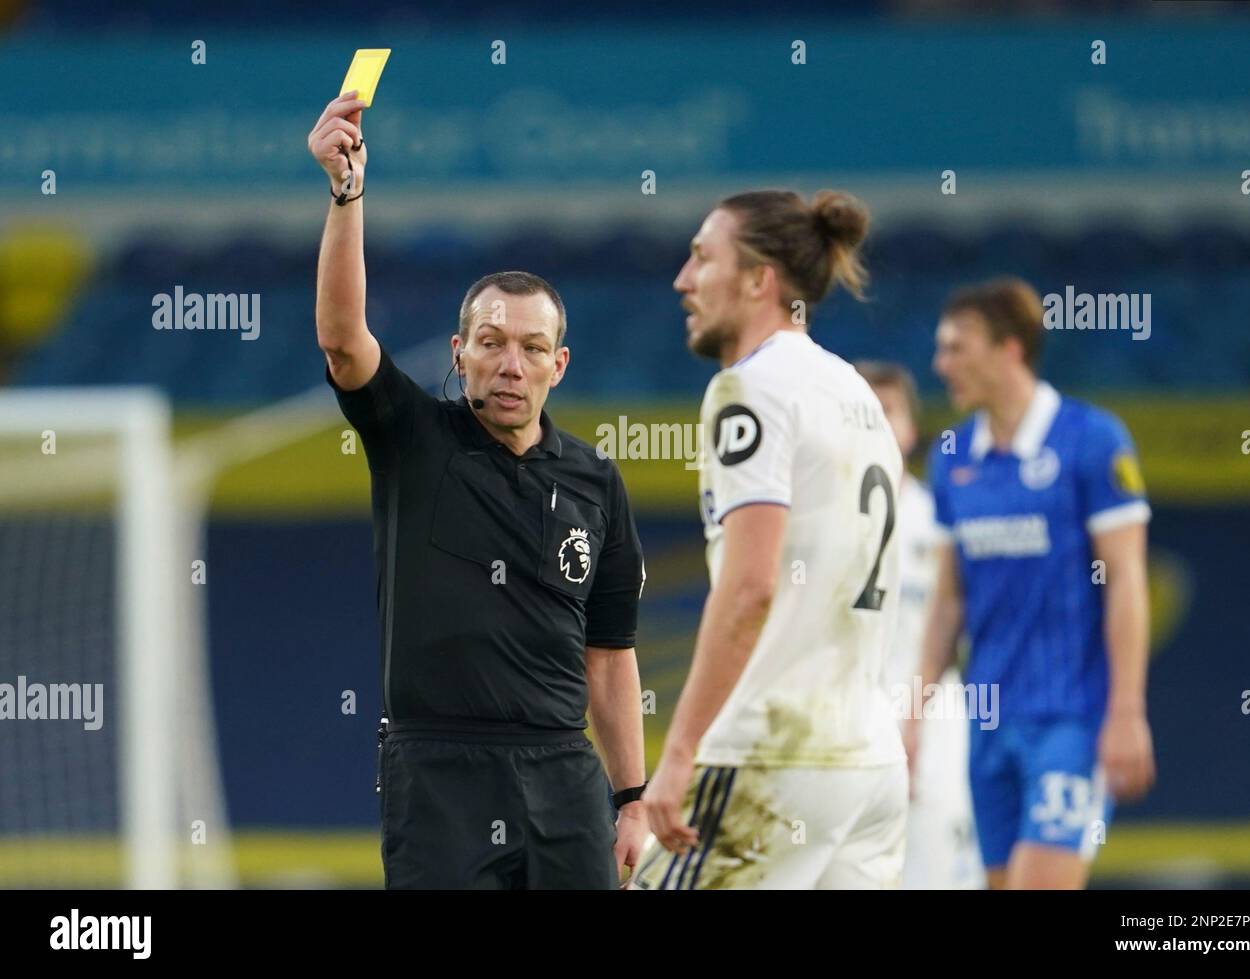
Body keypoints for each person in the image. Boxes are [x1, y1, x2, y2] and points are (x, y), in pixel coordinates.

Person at [308, 90, 650, 889]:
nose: (511, 364)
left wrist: (631, 795)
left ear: (558, 366)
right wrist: (346, 194)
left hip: (565, 772)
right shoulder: (412, 438)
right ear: (458, 354)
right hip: (439, 770)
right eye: (491, 343)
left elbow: (610, 658)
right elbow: (341, 337)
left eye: (533, 348)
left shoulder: (597, 482)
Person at [632, 189, 907, 889]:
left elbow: (750, 586)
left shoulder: (749, 390)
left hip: (775, 750)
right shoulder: (858, 394)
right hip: (869, 762)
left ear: (760, 280)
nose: (682, 280)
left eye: (701, 258)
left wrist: (682, 750)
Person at [913, 277, 1156, 890]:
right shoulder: (953, 457)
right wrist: (914, 712)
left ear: (1010, 349)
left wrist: (1127, 712)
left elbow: (1126, 581)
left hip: (1070, 719)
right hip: (988, 720)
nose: (941, 364)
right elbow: (948, 602)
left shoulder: (1092, 440)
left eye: (956, 347)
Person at [855, 360, 984, 890]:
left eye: (888, 411)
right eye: (864, 412)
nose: (878, 425)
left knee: (934, 864)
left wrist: (915, 720)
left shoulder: (941, 519)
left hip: (931, 712)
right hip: (847, 713)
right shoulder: (811, 521)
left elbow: (957, 625)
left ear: (911, 428)